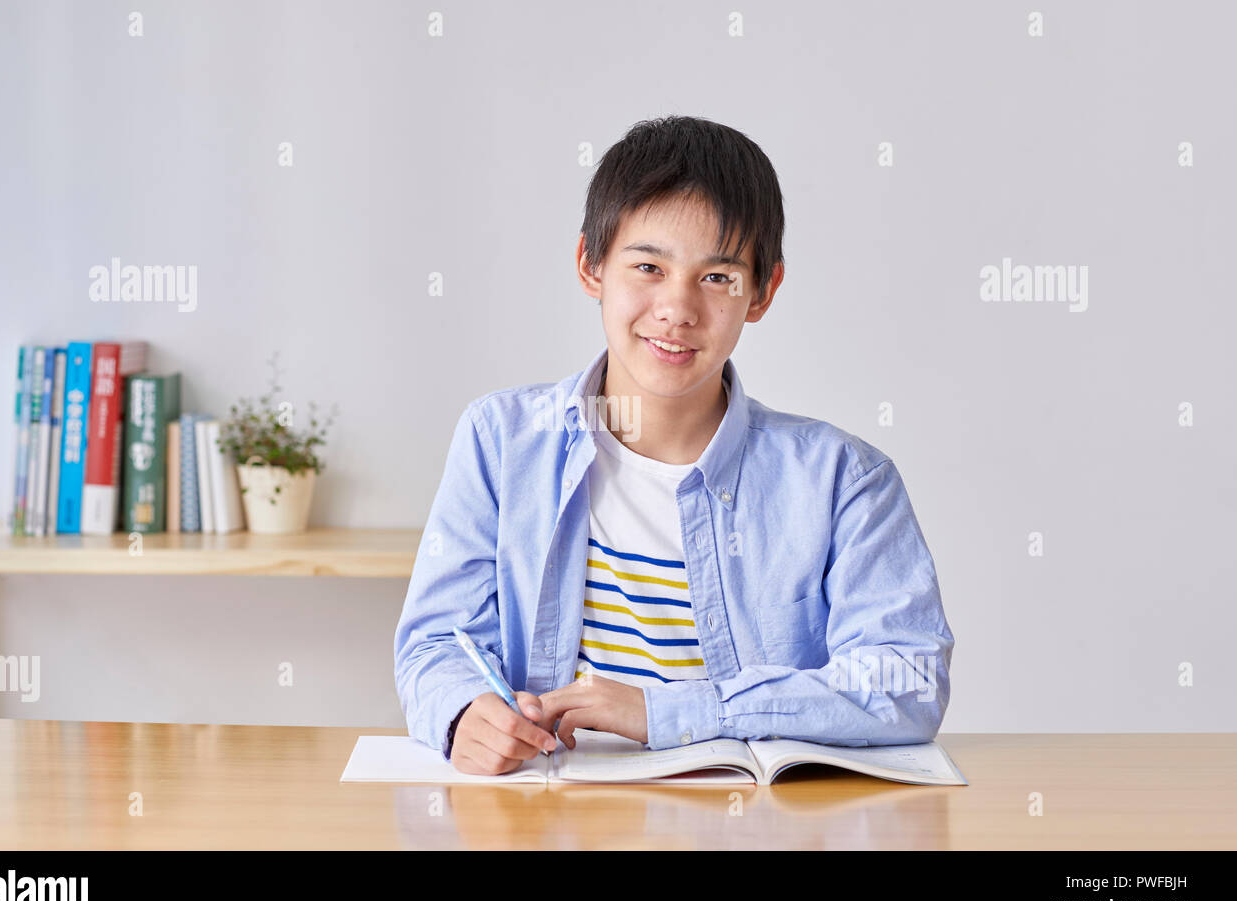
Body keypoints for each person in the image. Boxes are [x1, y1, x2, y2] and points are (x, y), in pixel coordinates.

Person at [394, 115, 954, 775]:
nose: (677, 308)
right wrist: (463, 711)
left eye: (717, 277)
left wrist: (669, 711)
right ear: (591, 266)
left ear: (763, 291)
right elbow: (435, 643)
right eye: (648, 266)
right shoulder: (502, 440)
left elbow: (906, 680)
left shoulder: (845, 480)